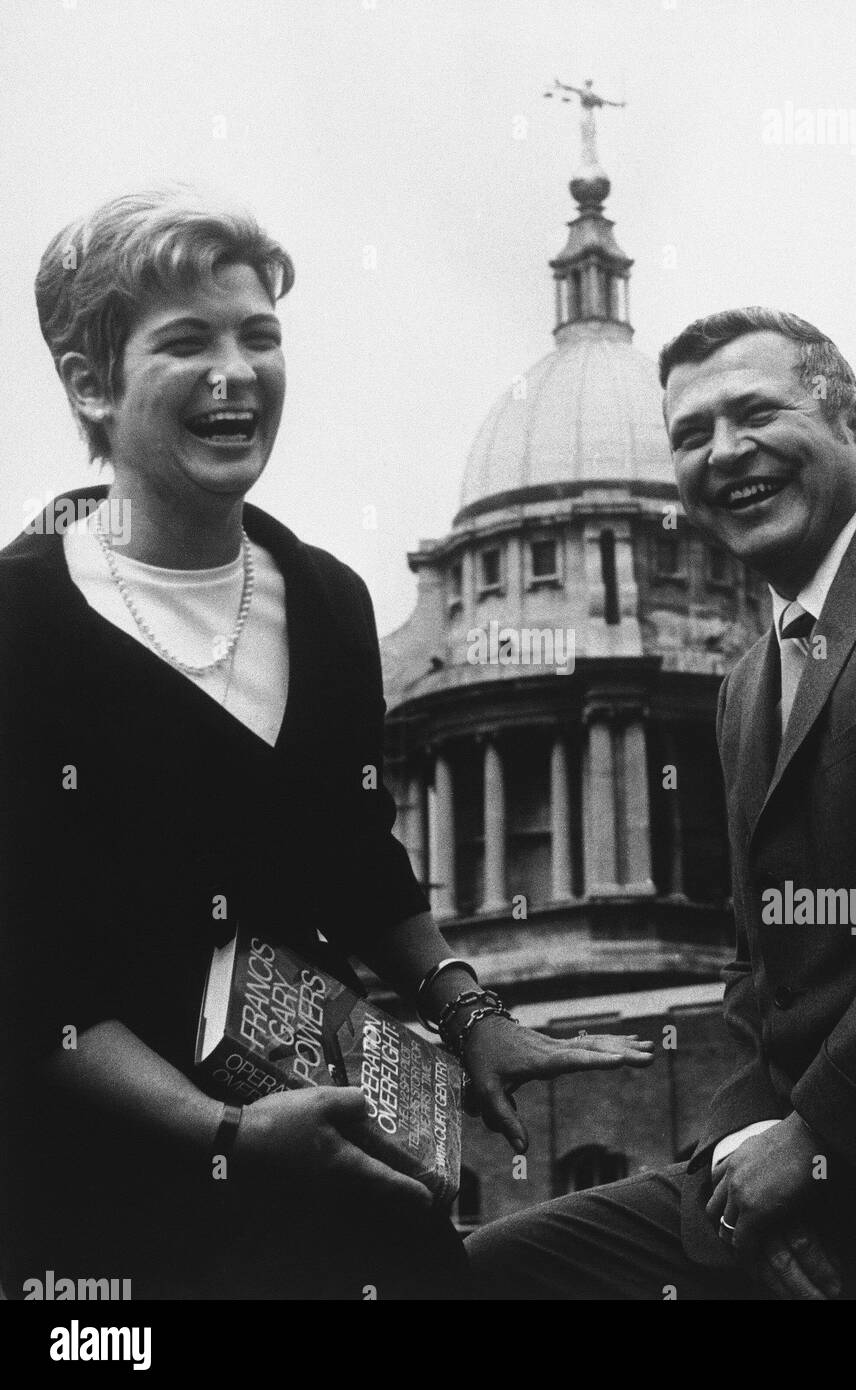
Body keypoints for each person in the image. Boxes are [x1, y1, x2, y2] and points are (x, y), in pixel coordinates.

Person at [0, 187, 653, 1300]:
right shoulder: (20, 624)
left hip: (316, 1152)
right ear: (90, 383)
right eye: (188, 340)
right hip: (101, 1203)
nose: (236, 371)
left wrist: (467, 1011)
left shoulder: (328, 597)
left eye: (260, 335)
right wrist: (223, 1134)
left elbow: (355, 849)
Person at [467, 307, 856, 1299]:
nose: (722, 452)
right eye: (689, 434)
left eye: (753, 413)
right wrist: (750, 1152)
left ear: (854, 425)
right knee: (476, 1273)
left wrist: (812, 1138)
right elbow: (750, 968)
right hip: (796, 1161)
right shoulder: (745, 682)